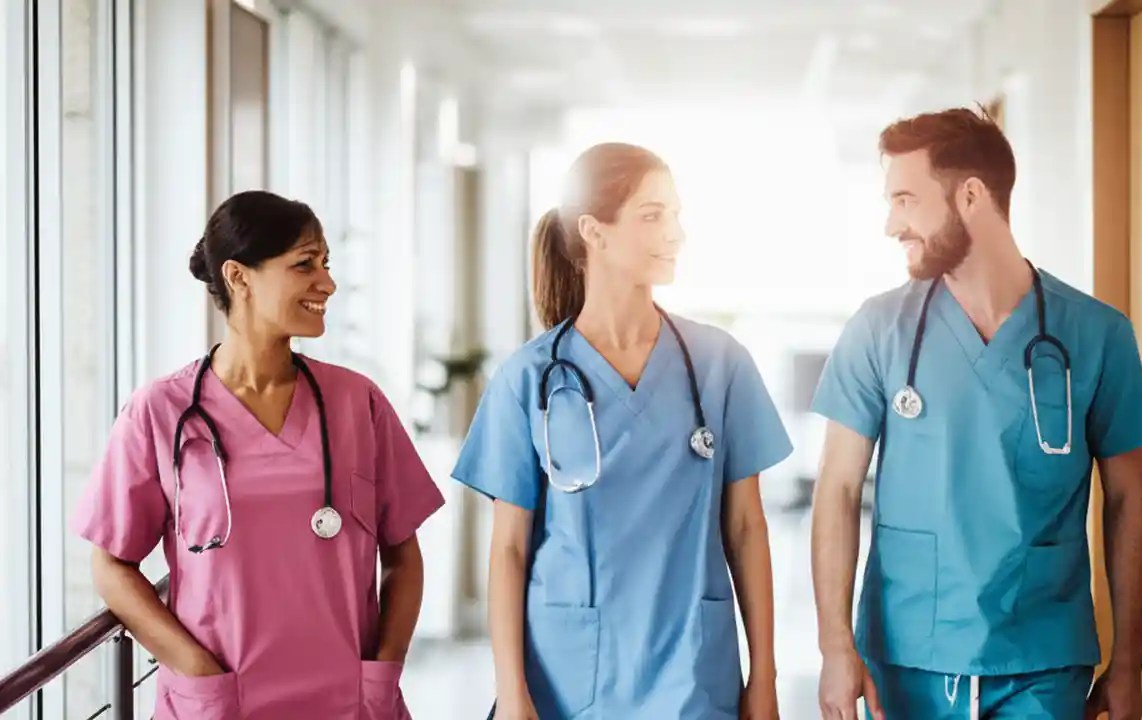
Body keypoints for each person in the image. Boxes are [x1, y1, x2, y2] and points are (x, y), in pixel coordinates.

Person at [810, 108, 1142, 720]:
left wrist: (1129, 663)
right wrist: (835, 647)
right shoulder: (879, 330)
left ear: (970, 195)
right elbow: (836, 490)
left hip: (1042, 660)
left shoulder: (1098, 335)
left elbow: (1130, 498)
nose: (893, 224)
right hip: (908, 655)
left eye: (905, 199)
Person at [452, 143, 792, 719]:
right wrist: (512, 693)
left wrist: (765, 677)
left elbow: (746, 528)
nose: (676, 233)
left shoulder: (719, 363)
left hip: (693, 671)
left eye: (676, 215)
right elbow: (510, 549)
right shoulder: (530, 378)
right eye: (653, 216)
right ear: (595, 231)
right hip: (566, 675)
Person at [74, 190, 445, 719]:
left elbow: (404, 555)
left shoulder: (356, 402)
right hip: (223, 704)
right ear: (239, 277)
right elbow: (112, 563)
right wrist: (193, 667)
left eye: (325, 263)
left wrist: (384, 668)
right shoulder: (161, 411)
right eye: (304, 264)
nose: (327, 283)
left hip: (349, 704)